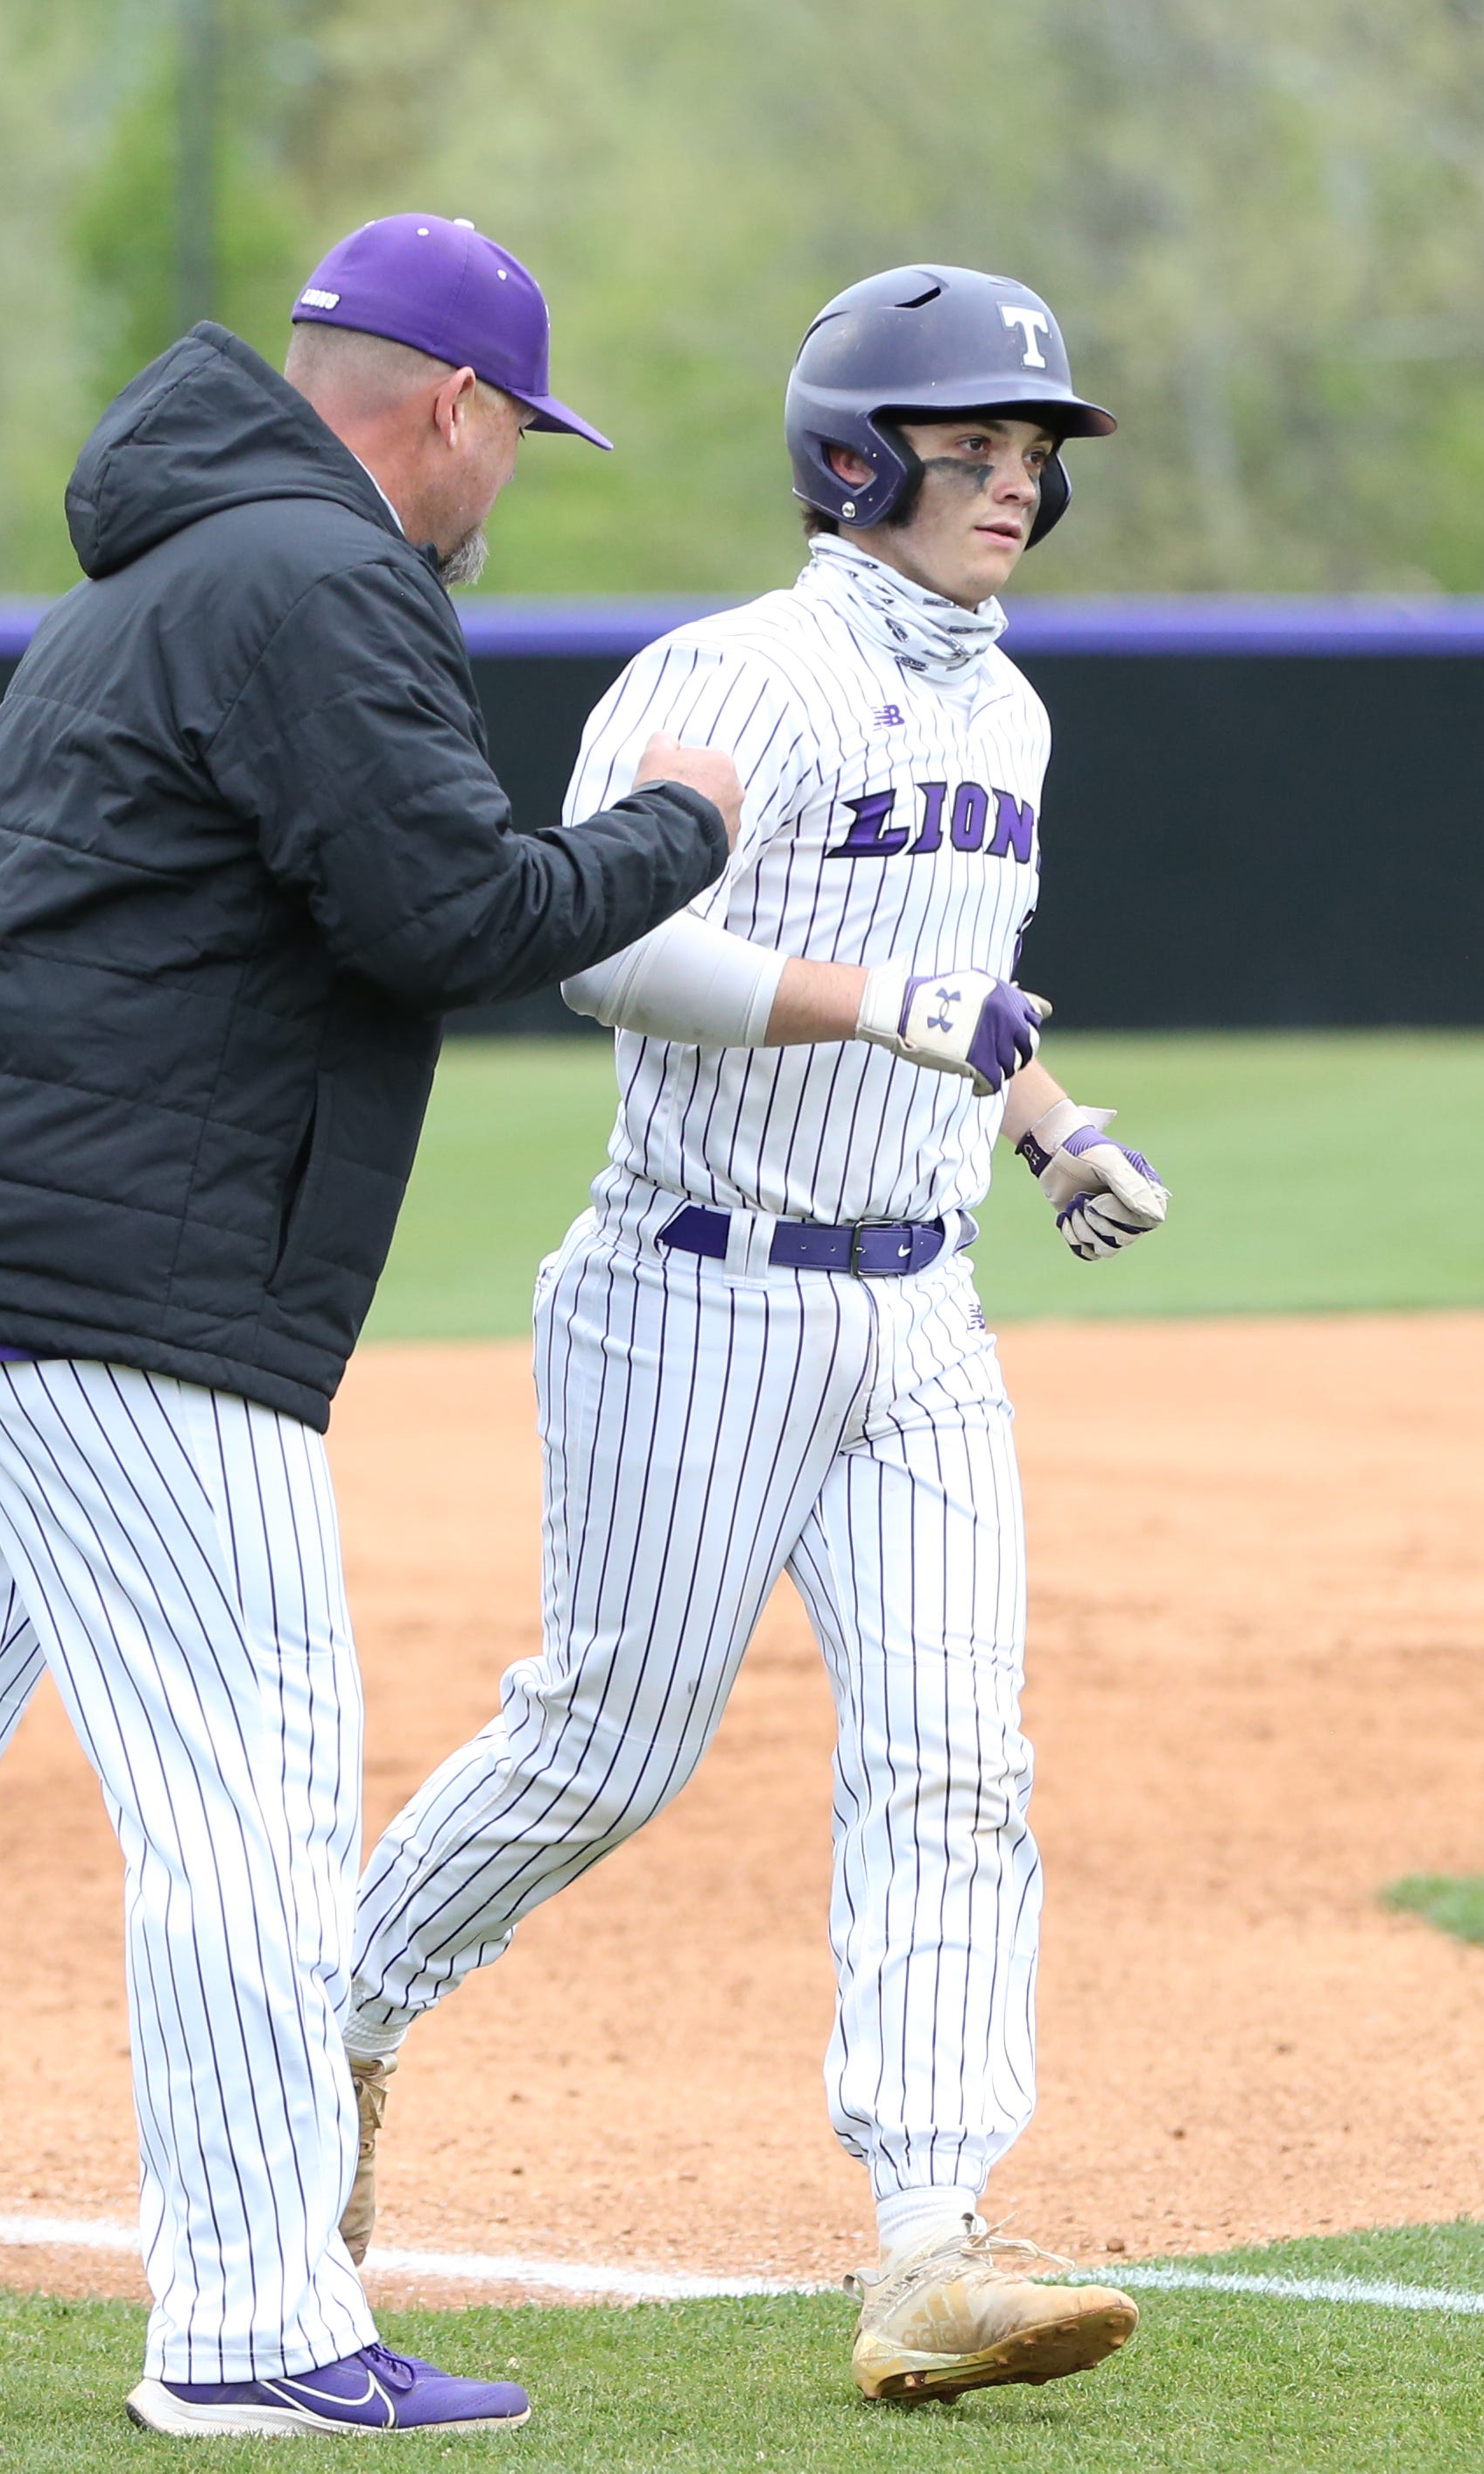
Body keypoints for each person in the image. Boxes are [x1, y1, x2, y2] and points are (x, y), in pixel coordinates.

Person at [0, 214, 742, 2440]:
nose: (508, 485)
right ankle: (250, 2324)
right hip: (123, 1269)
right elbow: (445, 912)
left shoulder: (173, 560)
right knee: (242, 1790)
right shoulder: (322, 581)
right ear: (456, 411)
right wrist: (679, 829)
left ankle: (250, 2311)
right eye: (517, 438)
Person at [340, 263, 1171, 2407]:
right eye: (970, 449)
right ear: (851, 457)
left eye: (1027, 460)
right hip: (692, 1292)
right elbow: (608, 951)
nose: (1006, 486)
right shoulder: (742, 673)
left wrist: (1051, 1128)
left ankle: (929, 2240)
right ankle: (322, 2024)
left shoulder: (1012, 711)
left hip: (919, 1314)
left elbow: (958, 980)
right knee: (603, 1746)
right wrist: (898, 1016)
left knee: (953, 1760)